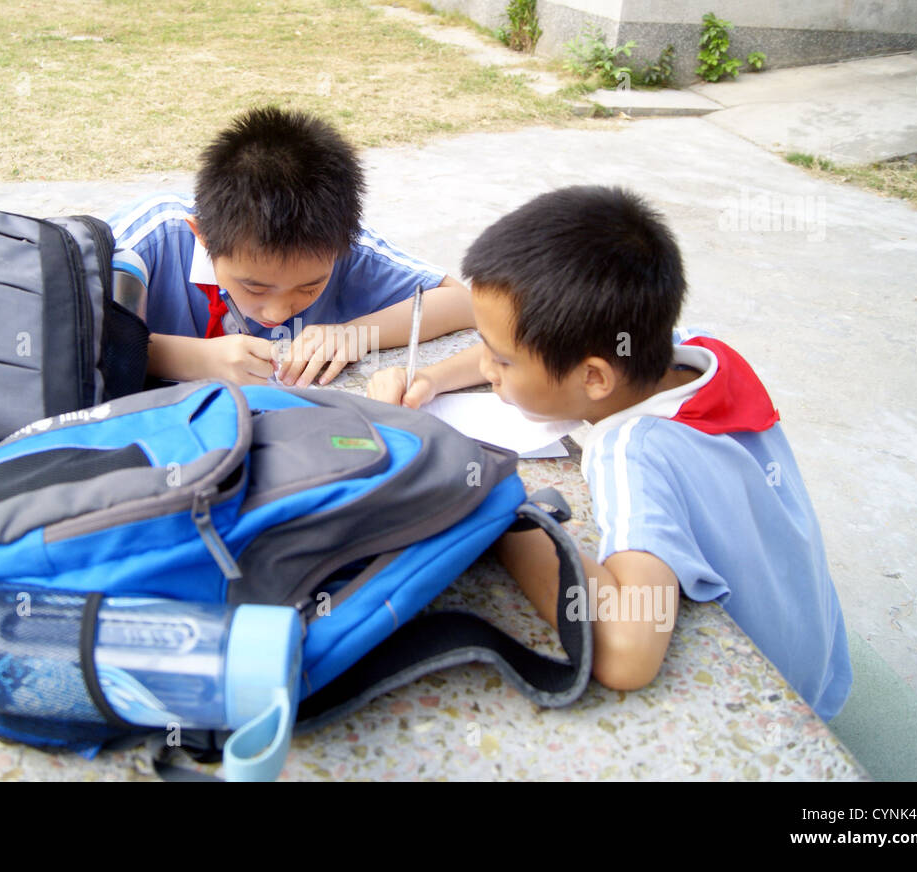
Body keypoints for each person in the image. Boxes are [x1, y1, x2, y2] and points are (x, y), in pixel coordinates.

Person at [367, 185, 852, 720]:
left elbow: (627, 654)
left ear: (594, 376)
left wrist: (492, 513)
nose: (486, 372)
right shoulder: (703, 352)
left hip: (772, 707)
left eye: (502, 363)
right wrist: (432, 379)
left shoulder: (632, 453)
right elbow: (512, 339)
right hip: (820, 656)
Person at [107, 106, 473, 387]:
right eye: (255, 286)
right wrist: (182, 358)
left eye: (310, 286)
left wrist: (355, 334)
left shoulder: (338, 244)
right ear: (202, 235)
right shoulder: (148, 240)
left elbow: (464, 303)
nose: (277, 312)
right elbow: (59, 330)